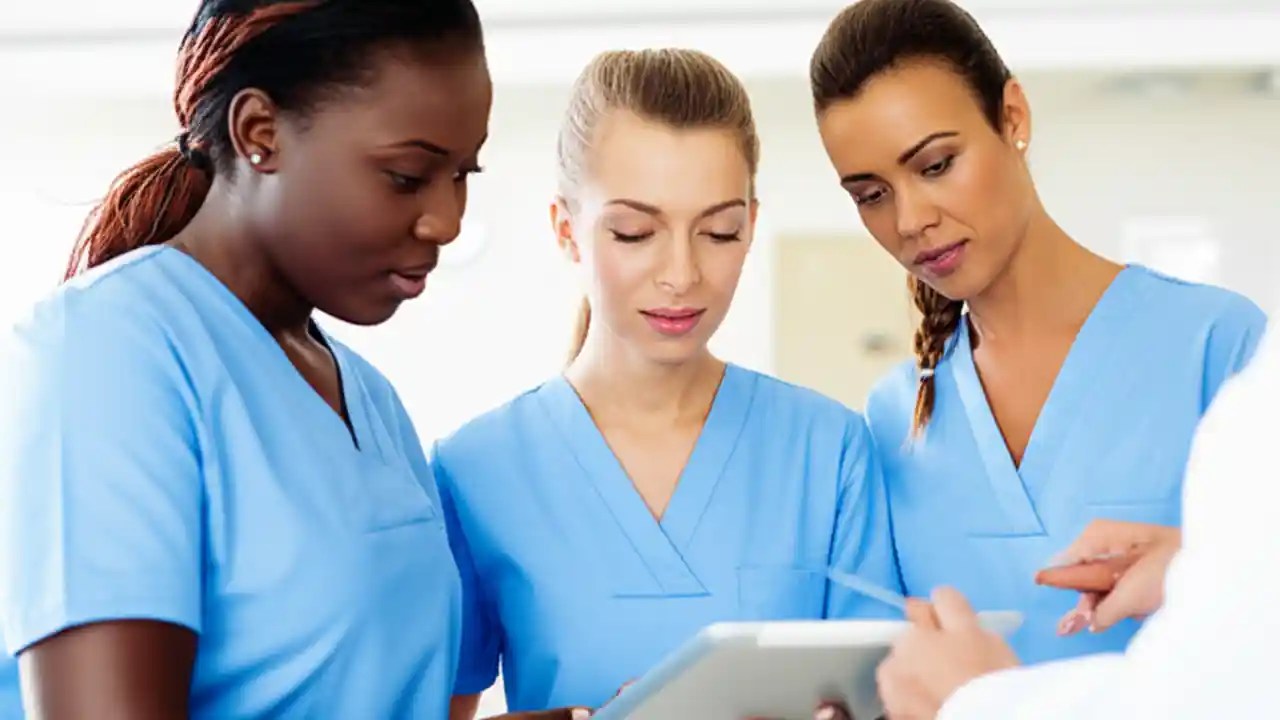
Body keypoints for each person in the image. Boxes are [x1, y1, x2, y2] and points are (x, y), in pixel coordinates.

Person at [0, 1, 578, 718]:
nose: (448, 221)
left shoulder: (372, 402)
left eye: (463, 174)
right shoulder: (105, 349)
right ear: (258, 134)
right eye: (407, 176)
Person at [434, 48, 901, 717]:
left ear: (751, 226)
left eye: (718, 231)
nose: (682, 274)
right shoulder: (474, 470)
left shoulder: (829, 452)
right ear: (567, 231)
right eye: (634, 232)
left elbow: (878, 699)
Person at [808, 0, 1267, 665]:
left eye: (935, 165)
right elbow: (884, 670)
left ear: (1012, 118)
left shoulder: (1218, 345)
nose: (910, 219)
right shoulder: (892, 419)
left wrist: (1193, 567)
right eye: (870, 194)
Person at [875, 322, 1280, 718]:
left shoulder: (1218, 336)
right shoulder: (893, 411)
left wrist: (980, 703)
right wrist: (1200, 563)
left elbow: (1235, 689)